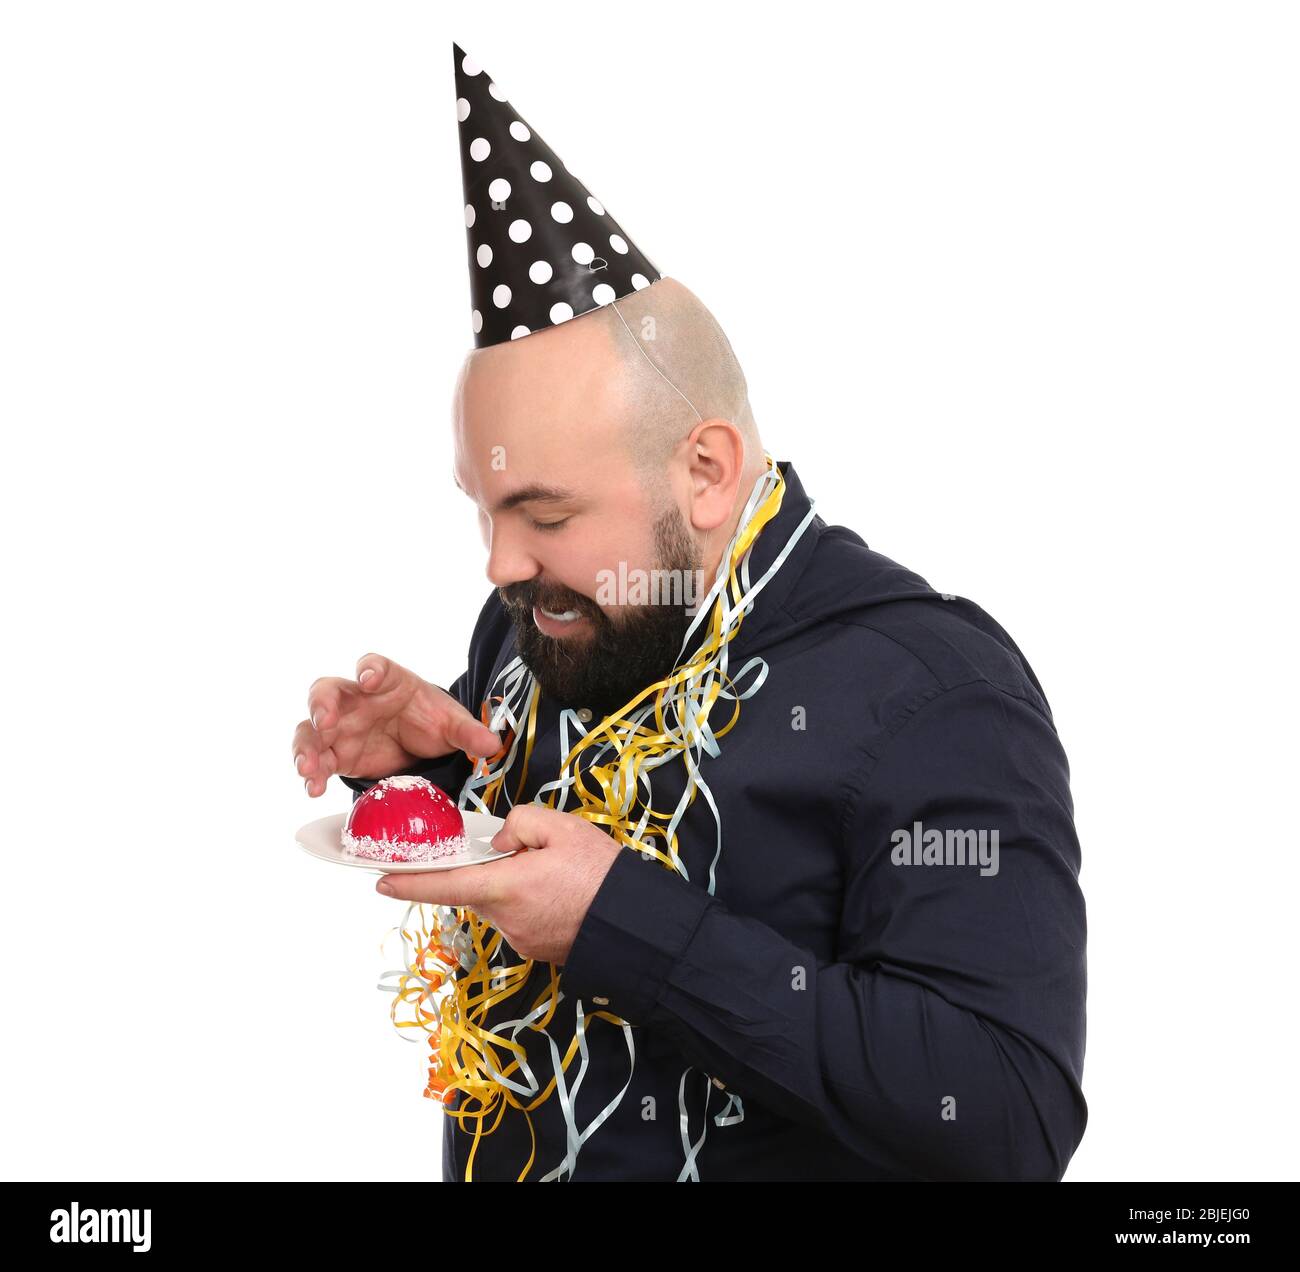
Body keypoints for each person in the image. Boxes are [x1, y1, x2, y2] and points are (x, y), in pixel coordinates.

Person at [289, 46, 1088, 1182]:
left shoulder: (932, 690)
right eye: (482, 508)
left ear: (705, 470)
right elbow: (516, 851)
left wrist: (623, 924)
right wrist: (416, 780)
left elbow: (1007, 1116)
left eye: (544, 513)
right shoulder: (546, 624)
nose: (499, 564)